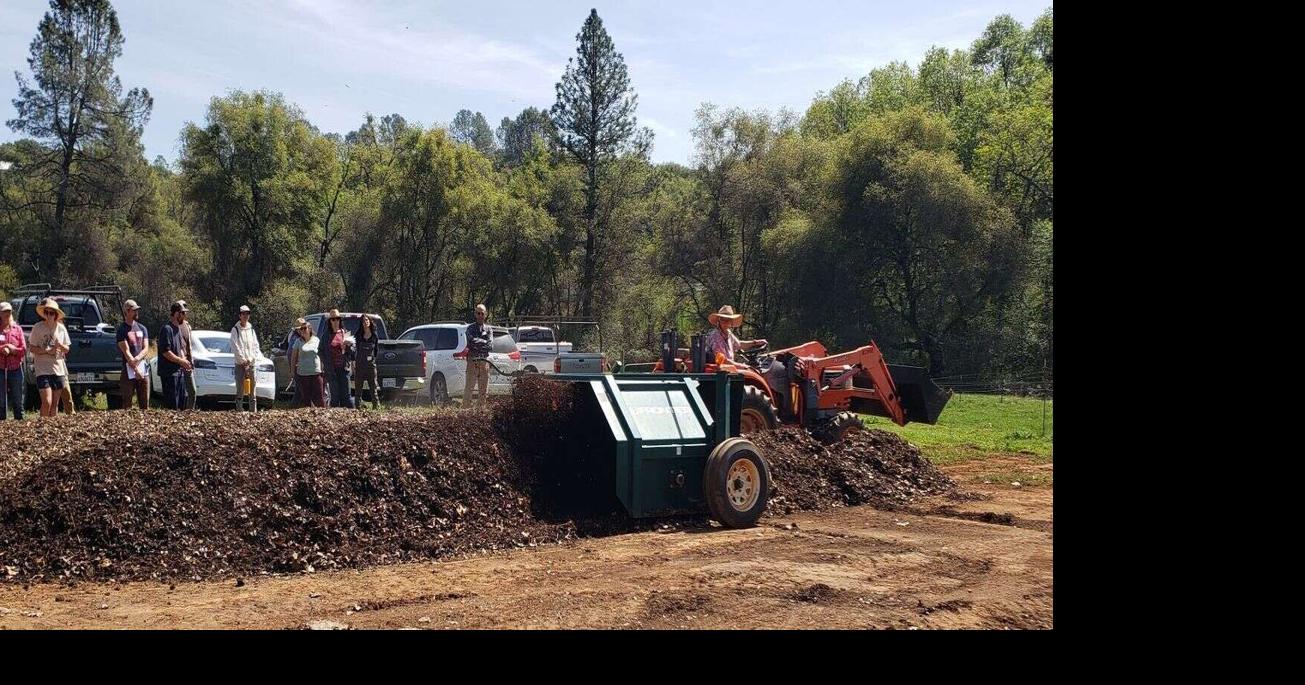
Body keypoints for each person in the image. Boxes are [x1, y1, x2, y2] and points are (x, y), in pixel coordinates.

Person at [29, 297, 71, 418]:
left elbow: (67, 348)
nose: (49, 315)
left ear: (56, 314)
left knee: (55, 404)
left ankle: (52, 431)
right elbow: (32, 348)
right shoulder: (37, 327)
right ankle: (42, 426)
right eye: (46, 312)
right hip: (42, 369)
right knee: (47, 401)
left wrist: (60, 345)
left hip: (58, 369)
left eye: (51, 312)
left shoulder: (61, 328)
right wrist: (47, 351)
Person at [158, 301, 194, 410]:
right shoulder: (166, 329)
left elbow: (180, 349)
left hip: (179, 373)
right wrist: (181, 361)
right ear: (176, 314)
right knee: (172, 407)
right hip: (169, 374)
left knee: (182, 405)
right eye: (183, 313)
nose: (185, 316)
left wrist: (186, 363)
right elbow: (166, 352)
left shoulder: (178, 329)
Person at [115, 299, 150, 410]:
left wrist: (138, 359)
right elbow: (126, 352)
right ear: (128, 311)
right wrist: (136, 369)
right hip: (128, 370)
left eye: (137, 310)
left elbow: (146, 348)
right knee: (127, 403)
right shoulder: (122, 330)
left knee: (145, 402)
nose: (137, 313)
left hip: (142, 368)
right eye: (134, 310)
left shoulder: (142, 328)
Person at [230, 305, 261, 412]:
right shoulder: (235, 330)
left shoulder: (251, 329)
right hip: (240, 365)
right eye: (243, 314)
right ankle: (239, 412)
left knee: (252, 391)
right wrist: (243, 361)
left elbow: (256, 346)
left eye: (247, 314)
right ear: (240, 315)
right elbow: (235, 347)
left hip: (251, 365)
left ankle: (253, 413)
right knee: (240, 391)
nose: (245, 316)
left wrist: (251, 359)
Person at [290, 318, 326, 408]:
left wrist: (323, 369)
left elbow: (322, 355)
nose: (302, 330)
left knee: (319, 398)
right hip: (303, 373)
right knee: (306, 399)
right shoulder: (298, 341)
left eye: (304, 328)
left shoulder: (316, 340)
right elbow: (293, 357)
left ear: (309, 329)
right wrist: (292, 371)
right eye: (301, 329)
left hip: (316, 372)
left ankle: (322, 416)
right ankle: (308, 418)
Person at [0, 301, 27, 420]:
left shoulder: (17, 329)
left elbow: (23, 349)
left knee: (17, 398)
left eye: (9, 311)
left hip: (16, 368)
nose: (7, 314)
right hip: (0, 368)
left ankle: (20, 423)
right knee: (1, 399)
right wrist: (2, 349)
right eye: (4, 311)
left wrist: (13, 349)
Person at [323, 309, 354, 409]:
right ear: (330, 321)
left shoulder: (345, 333)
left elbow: (353, 352)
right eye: (333, 319)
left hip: (344, 368)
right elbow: (320, 350)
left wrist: (349, 346)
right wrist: (326, 363)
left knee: (346, 396)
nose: (335, 321)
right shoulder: (326, 335)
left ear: (340, 320)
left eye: (337, 319)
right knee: (335, 397)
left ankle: (350, 418)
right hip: (332, 370)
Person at [463, 304, 491, 408]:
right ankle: (465, 411)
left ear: (485, 314)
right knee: (469, 388)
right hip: (472, 360)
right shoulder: (470, 328)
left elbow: (490, 345)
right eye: (478, 313)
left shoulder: (488, 329)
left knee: (483, 390)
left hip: (484, 361)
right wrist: (483, 342)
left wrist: (479, 342)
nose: (480, 315)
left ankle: (480, 412)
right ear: (475, 314)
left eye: (482, 313)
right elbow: (470, 342)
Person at [353, 313, 381, 410]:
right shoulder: (358, 335)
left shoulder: (374, 335)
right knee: (358, 388)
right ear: (361, 323)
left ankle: (376, 406)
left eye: (367, 320)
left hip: (370, 366)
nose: (365, 322)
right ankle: (357, 407)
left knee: (373, 388)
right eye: (363, 321)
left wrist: (372, 359)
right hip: (360, 365)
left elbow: (376, 351)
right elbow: (355, 349)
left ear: (370, 322)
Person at [177, 300, 198, 410]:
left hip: (188, 364)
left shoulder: (187, 326)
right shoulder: (173, 327)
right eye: (183, 312)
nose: (185, 315)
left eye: (185, 312)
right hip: (178, 364)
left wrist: (191, 361)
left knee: (192, 391)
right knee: (179, 394)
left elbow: (189, 345)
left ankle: (189, 414)